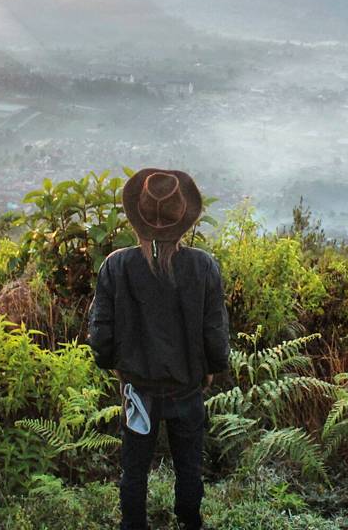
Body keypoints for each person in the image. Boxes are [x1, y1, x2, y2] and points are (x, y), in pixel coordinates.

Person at [88, 168, 230, 530]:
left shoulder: (116, 266)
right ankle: (189, 522)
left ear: (138, 217)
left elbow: (100, 334)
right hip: (187, 388)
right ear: (182, 219)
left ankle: (133, 525)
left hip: (138, 390)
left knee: (134, 469)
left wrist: (115, 366)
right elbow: (214, 332)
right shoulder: (203, 266)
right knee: (189, 468)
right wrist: (212, 369)